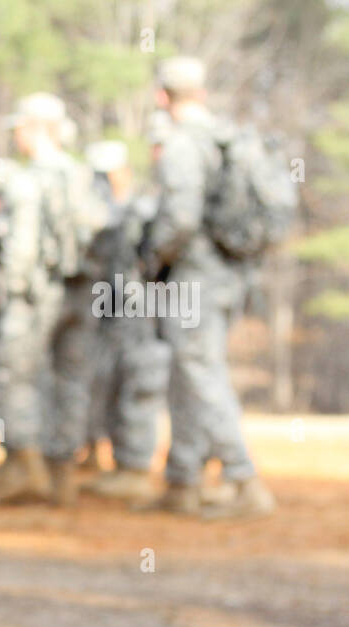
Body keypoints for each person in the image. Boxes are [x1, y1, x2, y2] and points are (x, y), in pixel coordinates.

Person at [138, 57, 276, 519]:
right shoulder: (227, 138)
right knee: (188, 371)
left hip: (194, 277)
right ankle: (182, 481)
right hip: (229, 276)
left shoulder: (182, 144)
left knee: (199, 371)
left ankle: (244, 480)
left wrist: (151, 257)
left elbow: (179, 218)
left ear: (163, 96)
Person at [0, 92, 106, 506]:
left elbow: (19, 245)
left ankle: (30, 468)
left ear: (35, 128)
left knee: (17, 376)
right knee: (72, 381)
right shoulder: (83, 176)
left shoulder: (27, 178)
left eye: (20, 128)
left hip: (36, 294)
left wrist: (15, 291)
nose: (16, 137)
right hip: (81, 294)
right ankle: (65, 479)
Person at [81, 135, 170, 503]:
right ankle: (116, 461)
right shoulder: (106, 212)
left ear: (124, 172)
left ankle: (135, 467)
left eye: (109, 173)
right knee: (111, 384)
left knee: (139, 384)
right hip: (110, 311)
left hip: (139, 312)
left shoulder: (143, 207)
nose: (103, 182)